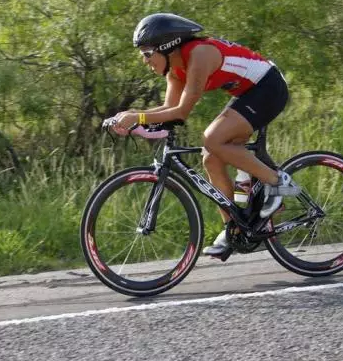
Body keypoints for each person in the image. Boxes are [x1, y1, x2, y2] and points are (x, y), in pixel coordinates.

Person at [110, 13, 300, 257]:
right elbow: (170, 112)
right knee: (210, 157)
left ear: (167, 47)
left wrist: (138, 117)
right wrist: (132, 117)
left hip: (268, 87)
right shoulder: (175, 71)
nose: (144, 61)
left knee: (212, 139)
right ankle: (234, 229)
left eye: (147, 54)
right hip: (248, 93)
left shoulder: (199, 54)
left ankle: (277, 182)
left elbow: (181, 111)